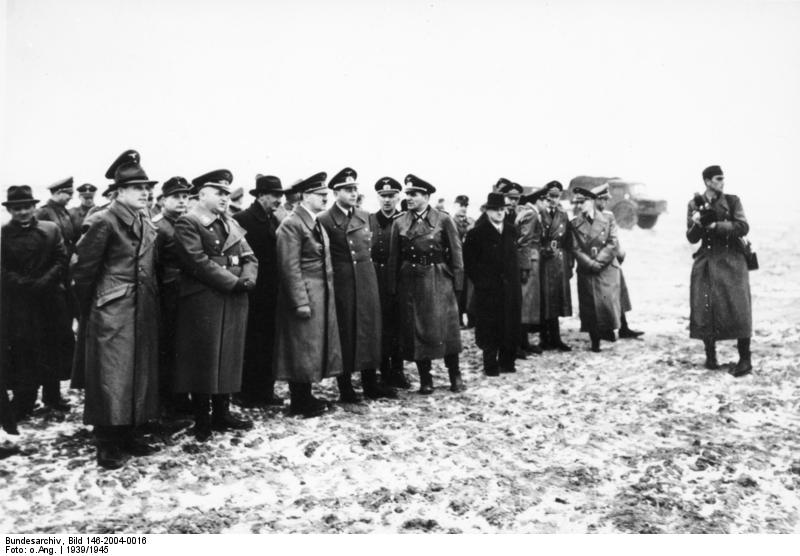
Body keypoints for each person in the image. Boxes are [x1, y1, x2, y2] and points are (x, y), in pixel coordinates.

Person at [71, 150, 161, 469]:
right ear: (119, 192)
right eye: (138, 188)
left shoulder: (143, 219)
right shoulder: (103, 220)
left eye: (147, 187)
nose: (146, 192)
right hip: (111, 309)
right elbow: (82, 272)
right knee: (110, 375)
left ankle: (129, 434)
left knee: (136, 371)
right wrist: (92, 311)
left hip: (141, 307)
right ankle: (107, 442)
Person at [173, 170, 257, 442]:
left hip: (232, 297)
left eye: (226, 193)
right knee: (204, 359)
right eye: (218, 192)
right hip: (204, 299)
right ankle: (202, 418)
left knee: (229, 355)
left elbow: (249, 256)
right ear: (202, 194)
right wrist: (233, 282)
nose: (225, 197)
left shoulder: (229, 222)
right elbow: (196, 261)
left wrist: (247, 279)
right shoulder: (189, 221)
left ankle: (223, 413)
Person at [318, 168, 395, 402]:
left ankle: (371, 384)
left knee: (370, 330)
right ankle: (346, 388)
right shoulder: (325, 219)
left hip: (366, 279)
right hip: (343, 282)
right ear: (335, 193)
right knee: (346, 332)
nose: (353, 193)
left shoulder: (365, 216)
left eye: (354, 189)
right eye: (347, 189)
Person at [387, 174, 465, 394]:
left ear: (427, 196)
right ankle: (425, 378)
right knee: (417, 329)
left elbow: (457, 254)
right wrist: (393, 287)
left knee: (447, 328)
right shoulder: (399, 222)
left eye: (414, 194)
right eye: (408, 194)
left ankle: (454, 375)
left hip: (438, 278)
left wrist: (457, 284)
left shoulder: (443, 219)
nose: (409, 198)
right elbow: (395, 257)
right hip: (411, 281)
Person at [273, 172, 343, 417]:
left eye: (325, 194)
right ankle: (299, 400)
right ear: (304, 196)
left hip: (319, 294)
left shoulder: (312, 221)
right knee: (301, 347)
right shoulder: (292, 224)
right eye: (319, 194)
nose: (325, 198)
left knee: (310, 347)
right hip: (305, 294)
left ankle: (306, 395)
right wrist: (300, 301)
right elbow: (289, 267)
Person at [1, 185, 74, 420]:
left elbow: (61, 259)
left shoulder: (50, 229)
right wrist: (22, 283)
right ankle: (25, 399)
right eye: (17, 208)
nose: (23, 212)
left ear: (34, 207)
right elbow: (2, 268)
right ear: (10, 210)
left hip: (50, 299)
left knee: (52, 345)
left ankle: (52, 396)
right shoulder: (3, 234)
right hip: (21, 303)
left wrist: (44, 281)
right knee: (25, 349)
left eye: (26, 207)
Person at [687, 165, 753, 377]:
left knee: (739, 308)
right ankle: (710, 355)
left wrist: (717, 226)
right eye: (718, 178)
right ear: (707, 181)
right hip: (707, 260)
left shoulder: (732, 201)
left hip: (732, 260)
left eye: (722, 178)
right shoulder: (694, 204)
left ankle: (745, 359)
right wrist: (697, 223)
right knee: (706, 308)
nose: (722, 182)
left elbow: (743, 226)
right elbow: (691, 237)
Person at [231, 174, 288, 407]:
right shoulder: (242, 219)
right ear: (261, 195)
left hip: (271, 292)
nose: (278, 200)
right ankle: (245, 392)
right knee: (251, 343)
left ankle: (264, 391)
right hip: (252, 292)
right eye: (274, 195)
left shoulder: (273, 219)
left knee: (268, 343)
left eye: (280, 196)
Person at [463, 192, 522, 376]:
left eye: (502, 209)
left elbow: (515, 258)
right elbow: (469, 263)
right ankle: (490, 364)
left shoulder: (511, 230)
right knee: (489, 327)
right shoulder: (476, 233)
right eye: (495, 209)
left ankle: (508, 362)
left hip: (510, 288)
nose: (499, 213)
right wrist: (482, 283)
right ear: (487, 211)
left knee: (510, 324)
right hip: (488, 290)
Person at [152, 176, 194, 418]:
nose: (181, 201)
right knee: (168, 349)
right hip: (167, 296)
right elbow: (154, 266)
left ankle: (181, 397)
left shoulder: (187, 222)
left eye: (185, 196)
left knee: (183, 348)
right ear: (164, 199)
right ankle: (169, 402)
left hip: (186, 295)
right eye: (176, 197)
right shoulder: (158, 226)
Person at [369, 177, 410, 389]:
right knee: (381, 326)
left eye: (391, 196)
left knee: (399, 325)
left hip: (400, 279)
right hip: (376, 278)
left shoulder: (404, 221)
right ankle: (383, 370)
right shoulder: (369, 220)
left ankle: (398, 370)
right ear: (377, 197)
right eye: (383, 196)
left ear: (398, 197)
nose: (387, 200)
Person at [569, 187, 621, 352]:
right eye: (577, 202)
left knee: (606, 305)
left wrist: (599, 262)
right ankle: (595, 340)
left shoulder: (608, 218)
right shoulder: (575, 223)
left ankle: (608, 331)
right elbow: (575, 248)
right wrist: (591, 264)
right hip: (587, 269)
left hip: (605, 269)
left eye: (582, 202)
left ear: (591, 201)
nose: (579, 205)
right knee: (590, 307)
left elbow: (613, 243)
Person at [593, 184, 644, 340]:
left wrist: (619, 255)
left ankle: (623, 327)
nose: (605, 203)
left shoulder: (608, 216)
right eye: (601, 200)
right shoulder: (591, 217)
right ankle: (605, 330)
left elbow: (614, 238)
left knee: (620, 293)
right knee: (604, 298)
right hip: (600, 261)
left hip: (612, 260)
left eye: (605, 199)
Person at [539, 180, 573, 351]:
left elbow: (568, 241)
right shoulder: (539, 213)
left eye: (557, 196)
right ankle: (544, 338)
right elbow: (533, 238)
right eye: (551, 196)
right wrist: (541, 250)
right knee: (545, 300)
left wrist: (569, 264)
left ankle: (556, 338)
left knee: (557, 300)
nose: (554, 199)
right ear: (546, 196)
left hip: (559, 261)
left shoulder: (563, 214)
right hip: (544, 262)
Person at [518, 188, 546, 354]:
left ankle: (524, 342)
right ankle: (522, 343)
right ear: (538, 200)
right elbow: (524, 241)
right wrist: (525, 266)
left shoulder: (526, 211)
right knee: (526, 303)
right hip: (530, 261)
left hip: (531, 259)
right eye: (544, 201)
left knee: (528, 303)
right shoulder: (532, 214)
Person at [36, 177, 78, 256]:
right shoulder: (43, 212)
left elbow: (70, 239)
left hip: (67, 258)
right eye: (69, 193)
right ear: (59, 192)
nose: (71, 197)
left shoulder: (65, 211)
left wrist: (74, 254)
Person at [452, 195, 475, 329]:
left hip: (469, 261)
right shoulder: (450, 221)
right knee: (458, 290)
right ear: (455, 205)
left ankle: (471, 319)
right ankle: (458, 320)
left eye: (465, 205)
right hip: (457, 262)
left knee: (469, 292)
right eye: (461, 205)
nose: (463, 208)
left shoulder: (471, 222)